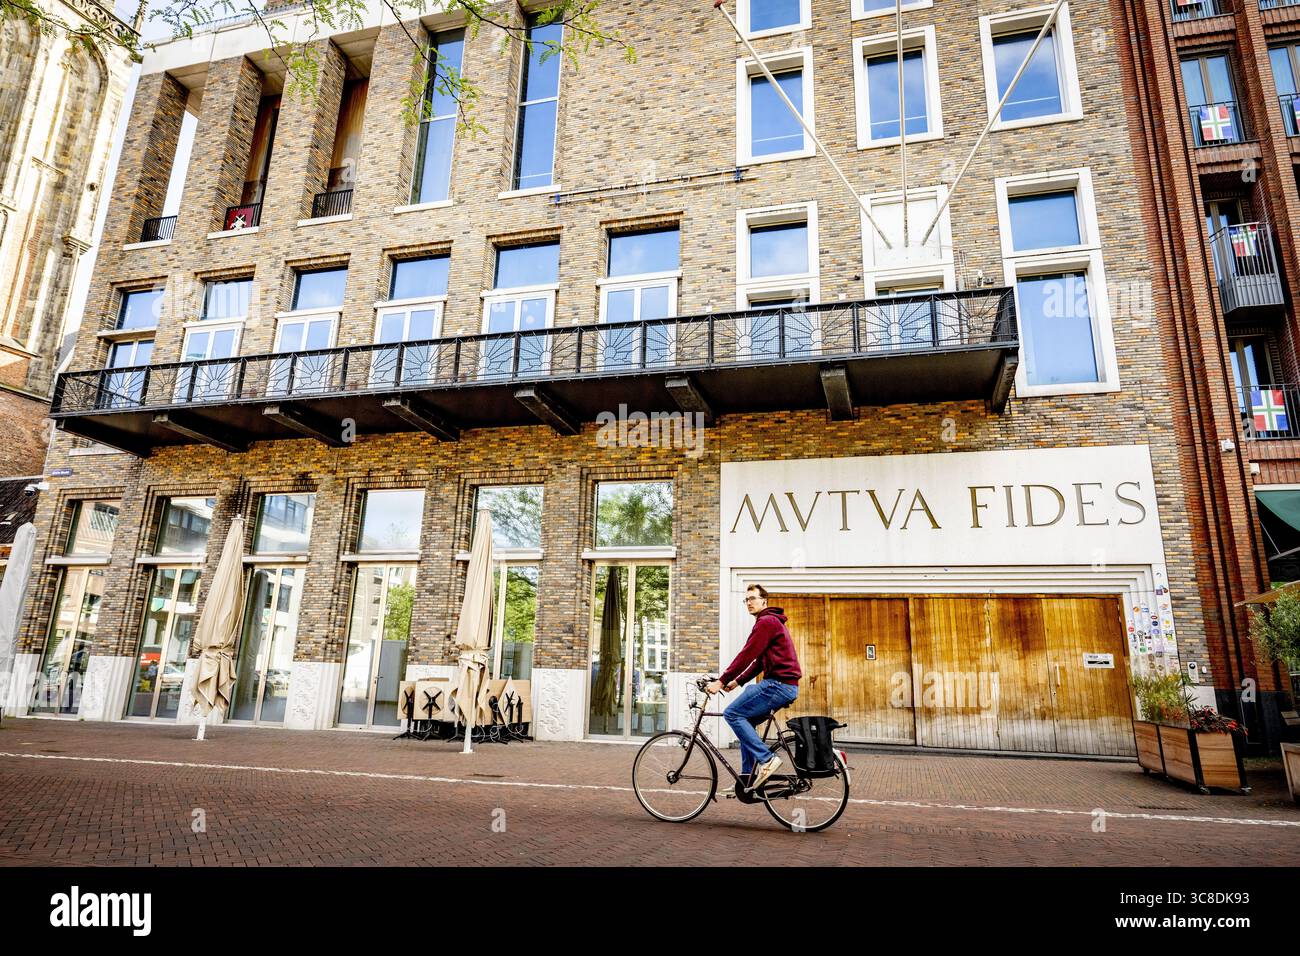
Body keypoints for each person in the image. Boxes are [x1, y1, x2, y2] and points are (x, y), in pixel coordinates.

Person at [706, 583, 801, 790]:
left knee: (732, 713)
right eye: (746, 599)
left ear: (764, 601)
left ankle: (767, 759)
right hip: (783, 685)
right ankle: (747, 779)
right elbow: (758, 661)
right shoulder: (769, 622)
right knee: (745, 721)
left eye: (753, 598)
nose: (749, 603)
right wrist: (737, 681)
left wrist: (721, 681)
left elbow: (747, 654)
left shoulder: (766, 622)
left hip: (778, 684)